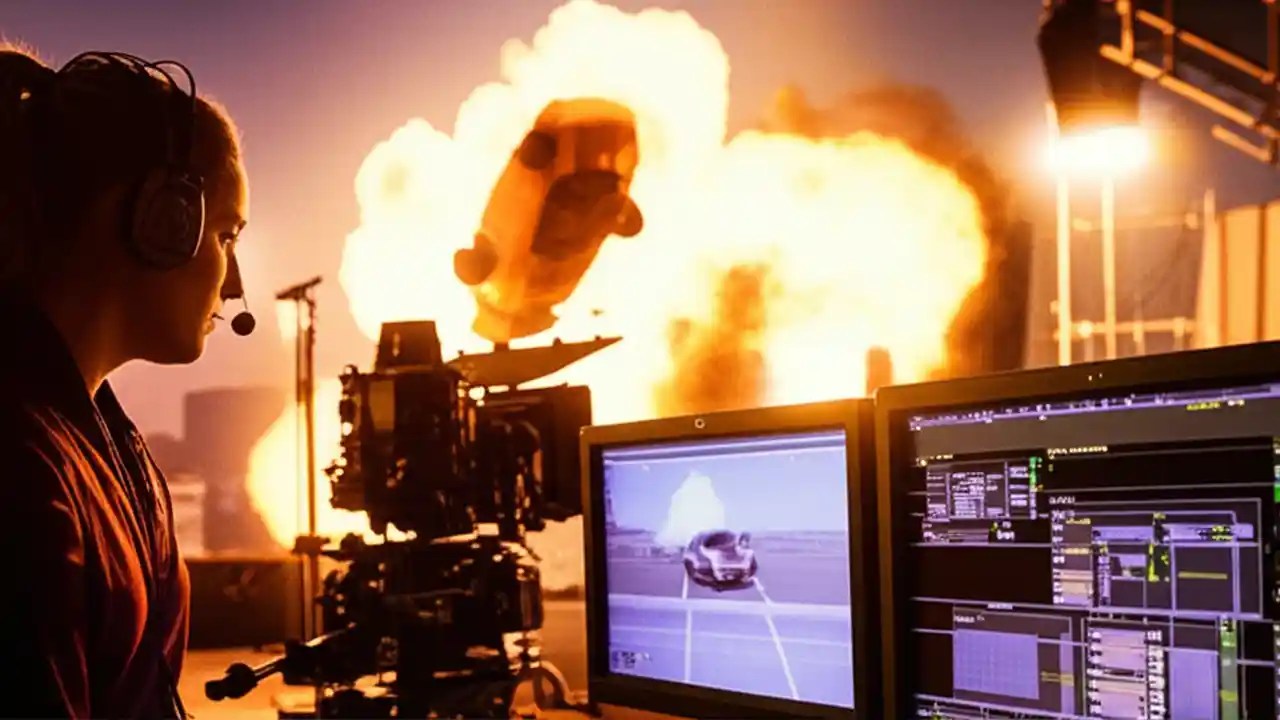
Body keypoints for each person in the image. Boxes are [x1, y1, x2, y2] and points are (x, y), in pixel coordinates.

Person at [0, 45, 249, 718]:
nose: (234, 284)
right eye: (226, 236)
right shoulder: (21, 473)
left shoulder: (102, 440)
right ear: (161, 220)